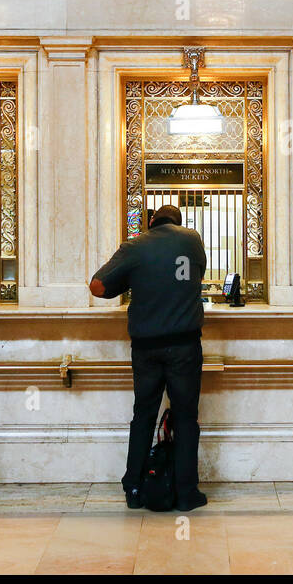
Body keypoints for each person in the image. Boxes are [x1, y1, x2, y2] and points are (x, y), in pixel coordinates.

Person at [90, 204, 208, 512]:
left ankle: (134, 489)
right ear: (178, 223)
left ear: (151, 221)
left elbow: (98, 285)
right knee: (185, 419)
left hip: (146, 349)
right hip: (184, 347)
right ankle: (186, 493)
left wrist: (130, 281)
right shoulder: (192, 240)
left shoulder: (135, 246)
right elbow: (194, 276)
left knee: (143, 416)